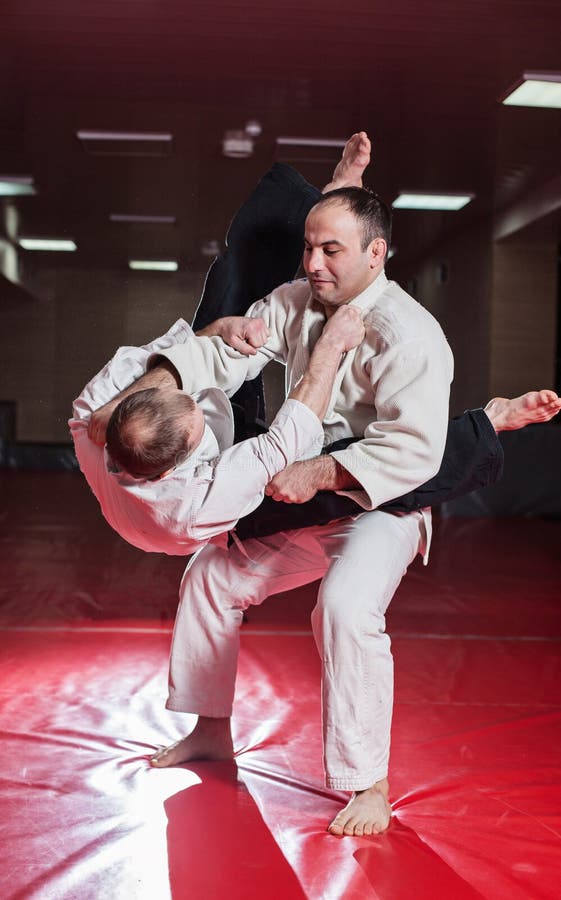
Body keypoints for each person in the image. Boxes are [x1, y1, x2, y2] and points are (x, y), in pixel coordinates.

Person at [84, 133, 561, 837]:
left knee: (343, 605)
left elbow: (414, 452)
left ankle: (368, 782)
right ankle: (210, 729)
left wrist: (320, 470)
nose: (312, 263)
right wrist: (163, 379)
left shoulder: (412, 335)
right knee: (211, 573)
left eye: (330, 250)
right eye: (308, 248)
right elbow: (229, 353)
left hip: (380, 505)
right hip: (300, 499)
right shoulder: (298, 300)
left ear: (376, 253)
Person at [70, 305, 366, 555]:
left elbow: (173, 353)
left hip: (135, 493)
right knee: (311, 478)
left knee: (205, 355)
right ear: (167, 472)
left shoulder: (92, 410)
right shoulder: (199, 501)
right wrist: (333, 344)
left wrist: (219, 327)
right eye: (199, 425)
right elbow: (290, 434)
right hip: (190, 525)